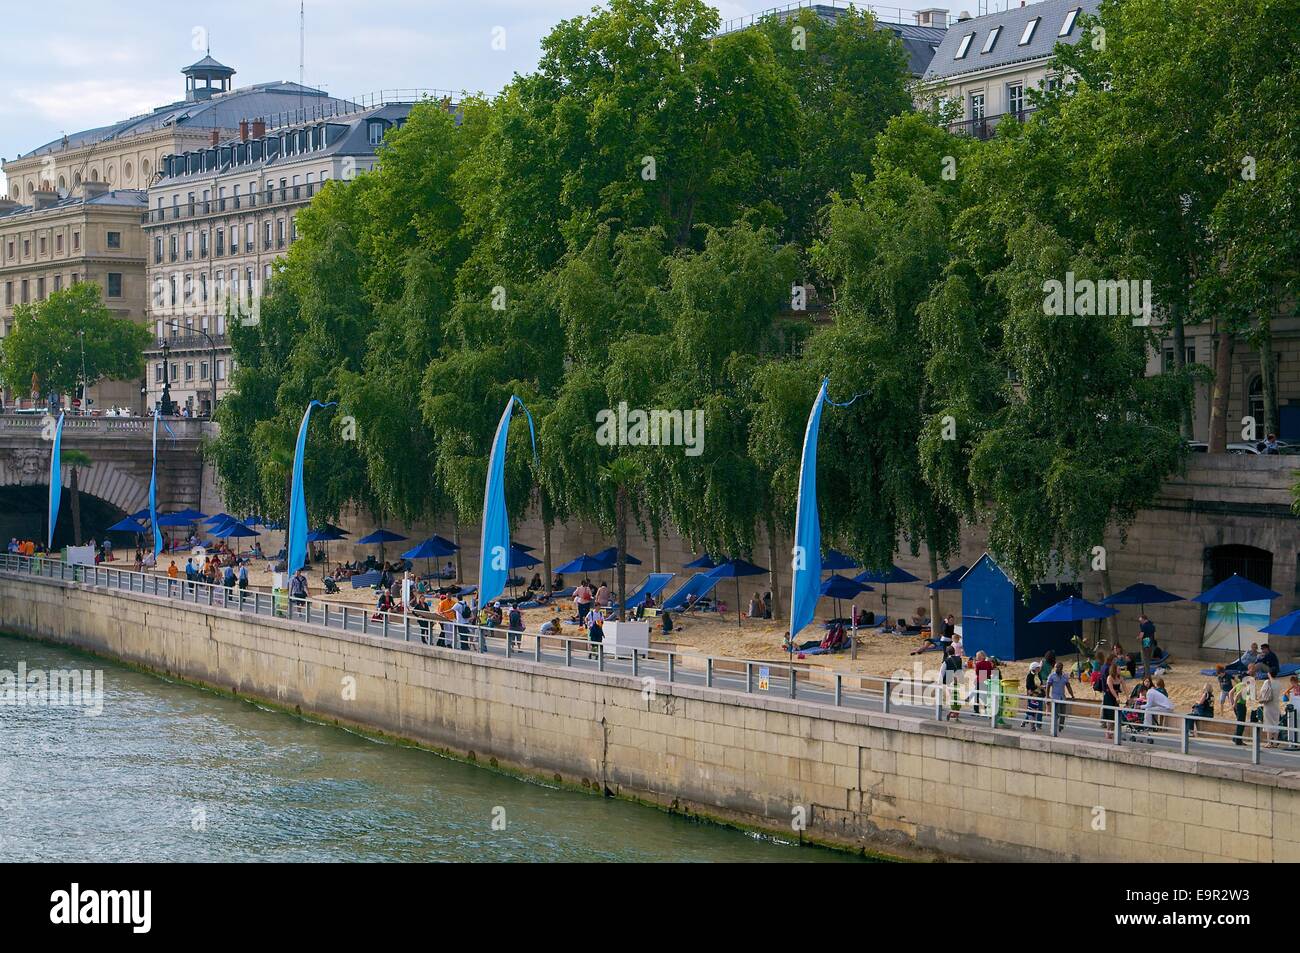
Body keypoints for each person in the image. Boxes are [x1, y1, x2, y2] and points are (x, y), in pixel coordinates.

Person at [1255, 664, 1281, 747]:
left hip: (1268, 705)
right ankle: (1275, 742)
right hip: (1276, 705)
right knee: (1276, 723)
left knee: (1268, 723)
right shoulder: (1278, 683)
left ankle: (1269, 742)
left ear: (1269, 673)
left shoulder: (1267, 682)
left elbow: (1262, 692)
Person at [1045, 660, 1074, 734]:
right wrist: (1047, 696)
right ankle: (1053, 727)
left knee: (1063, 713)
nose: (1056, 669)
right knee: (1055, 714)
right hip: (1055, 698)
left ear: (1061, 668)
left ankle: (1061, 727)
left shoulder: (1065, 676)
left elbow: (1068, 686)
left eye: (1058, 668)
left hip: (1062, 697)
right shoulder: (1052, 676)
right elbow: (1048, 686)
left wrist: (1072, 695)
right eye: (1056, 667)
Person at [1103, 655, 1125, 741]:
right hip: (1109, 697)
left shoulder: (1120, 678)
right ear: (1114, 670)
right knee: (1110, 716)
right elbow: (1111, 689)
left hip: (1115, 697)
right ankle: (1108, 732)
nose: (1120, 670)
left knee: (1115, 716)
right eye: (1119, 669)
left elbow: (1125, 687)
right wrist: (1116, 697)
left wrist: (1128, 696)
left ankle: (1112, 732)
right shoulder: (1110, 678)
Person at [1229, 673, 1251, 746]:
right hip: (1241, 705)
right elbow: (1238, 694)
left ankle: (1235, 738)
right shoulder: (1245, 686)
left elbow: (1230, 693)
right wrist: (1234, 703)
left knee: (1239, 722)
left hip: (1237, 706)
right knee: (1241, 723)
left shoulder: (1238, 684)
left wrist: (1232, 703)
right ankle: (1238, 740)